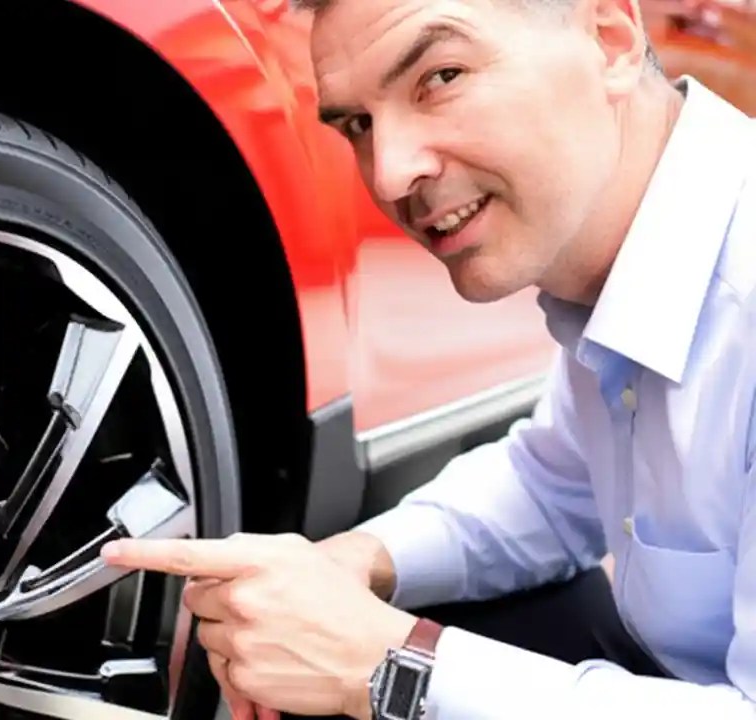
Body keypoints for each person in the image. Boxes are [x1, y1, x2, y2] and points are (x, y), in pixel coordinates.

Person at [100, 0, 756, 718]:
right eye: (358, 125)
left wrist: (385, 664)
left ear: (610, 36)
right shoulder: (616, 265)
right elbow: (550, 488)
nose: (389, 175)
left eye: (440, 77)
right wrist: (358, 562)